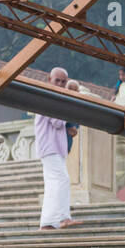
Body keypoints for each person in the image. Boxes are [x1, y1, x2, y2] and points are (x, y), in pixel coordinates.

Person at [36, 67, 79, 230]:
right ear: (49, 79)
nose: (61, 84)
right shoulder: (49, 97)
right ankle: (62, 218)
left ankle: (47, 222)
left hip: (54, 147)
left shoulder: (55, 97)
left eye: (63, 81)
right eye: (58, 80)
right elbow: (57, 121)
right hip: (50, 146)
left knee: (53, 182)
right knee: (61, 179)